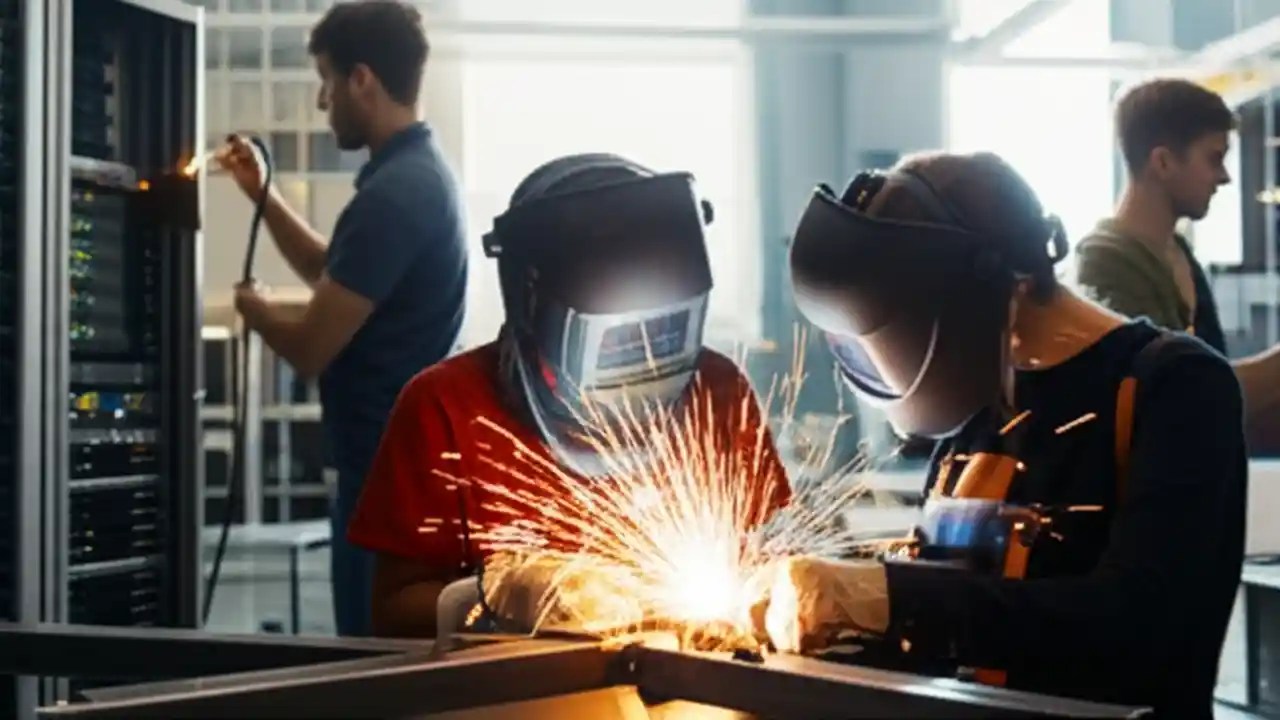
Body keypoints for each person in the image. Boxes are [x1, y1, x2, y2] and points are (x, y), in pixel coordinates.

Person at [769, 151, 1245, 716]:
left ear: (980, 287)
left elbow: (1135, 620)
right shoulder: (976, 402)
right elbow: (951, 624)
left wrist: (888, 596)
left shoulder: (1175, 385)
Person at [346, 153, 790, 638]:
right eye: (619, 340)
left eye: (663, 332)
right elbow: (390, 612)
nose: (640, 360)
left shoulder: (719, 393)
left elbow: (772, 564)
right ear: (534, 301)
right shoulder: (443, 408)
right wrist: (495, 598)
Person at [222, 0, 467, 637]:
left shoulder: (397, 195)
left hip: (382, 481)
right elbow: (335, 272)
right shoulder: (416, 177)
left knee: (367, 659)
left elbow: (310, 346)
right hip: (387, 471)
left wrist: (255, 311)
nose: (322, 100)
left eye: (327, 81)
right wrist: (261, 193)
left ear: (362, 80)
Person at [1076, 77, 1280, 424]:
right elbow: (1181, 398)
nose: (1225, 177)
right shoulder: (1104, 265)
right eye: (1214, 159)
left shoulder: (1178, 251)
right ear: (1164, 162)